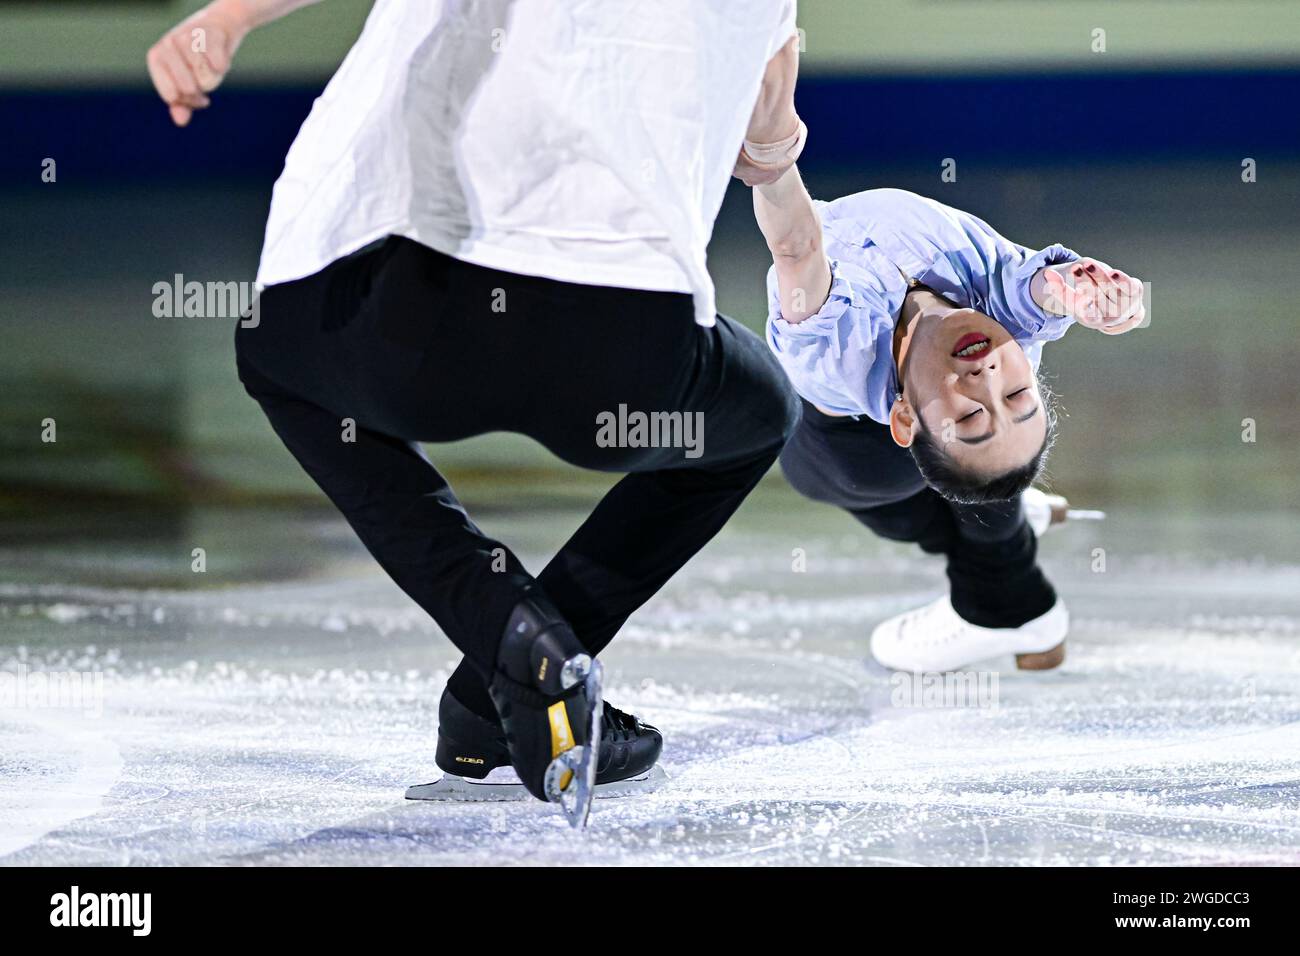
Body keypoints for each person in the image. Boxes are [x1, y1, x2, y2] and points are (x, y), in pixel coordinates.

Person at [147, 0, 805, 827]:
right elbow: (765, 136)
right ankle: (498, 695)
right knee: (758, 413)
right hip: (627, 357)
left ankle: (508, 637)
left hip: (420, 319)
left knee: (278, 359)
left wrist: (231, 18)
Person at [749, 169, 1145, 673]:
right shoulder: (1001, 314)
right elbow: (1032, 293)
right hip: (905, 451)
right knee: (994, 468)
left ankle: (1008, 604)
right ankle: (1007, 530)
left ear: (905, 417)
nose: (988, 376)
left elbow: (796, 248)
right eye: (1018, 393)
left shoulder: (835, 345)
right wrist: (1080, 293)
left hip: (849, 459)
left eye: (972, 411)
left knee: (952, 490)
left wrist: (770, 156)